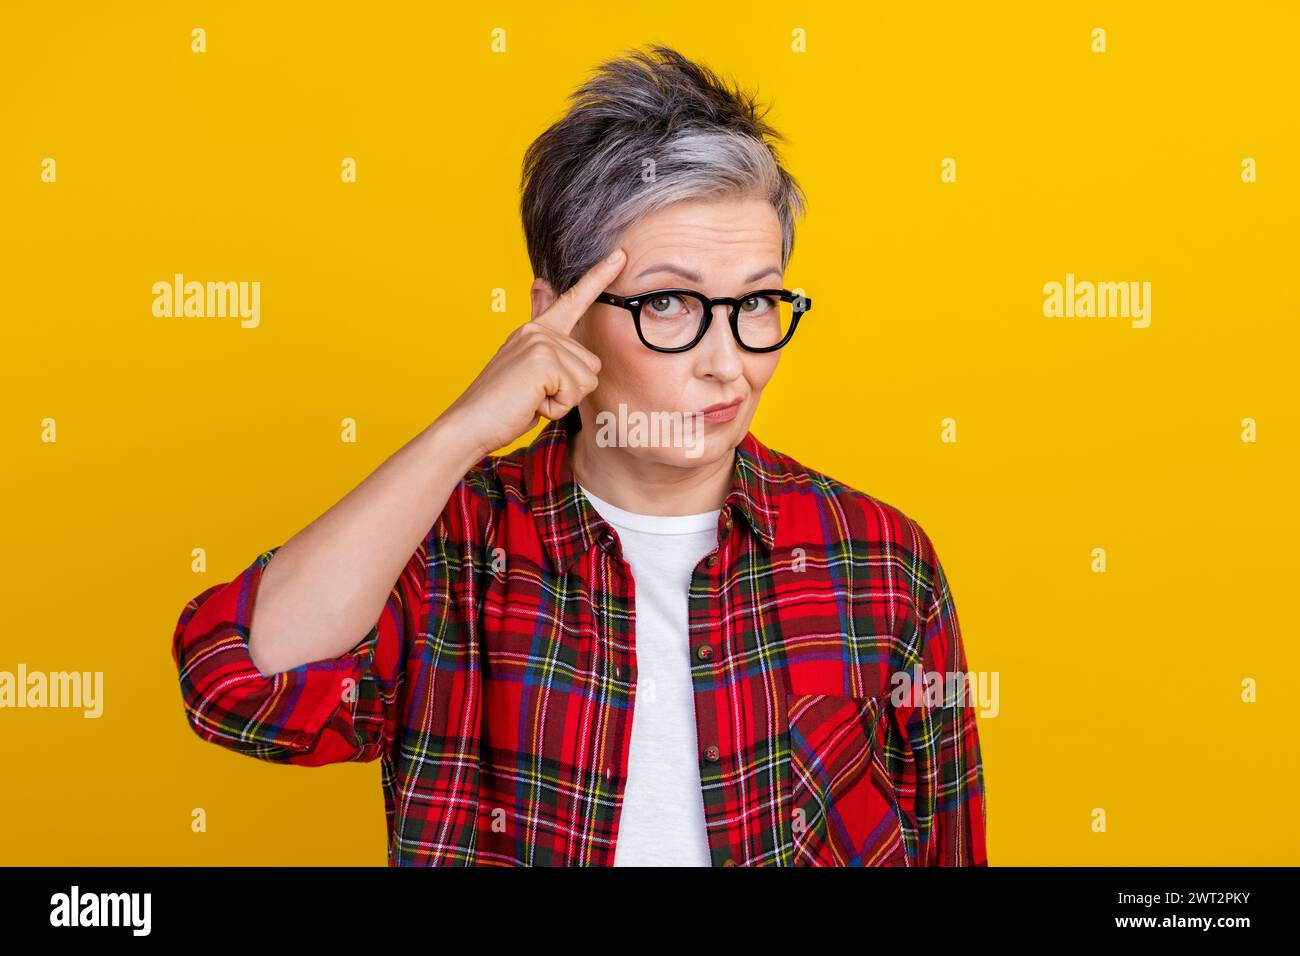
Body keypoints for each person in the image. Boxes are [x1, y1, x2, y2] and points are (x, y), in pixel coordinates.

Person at [171, 43, 987, 867]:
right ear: (558, 316)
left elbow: (949, 834)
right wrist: (460, 432)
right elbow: (242, 689)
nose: (727, 361)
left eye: (758, 301)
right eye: (670, 302)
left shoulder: (880, 559)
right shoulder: (449, 548)